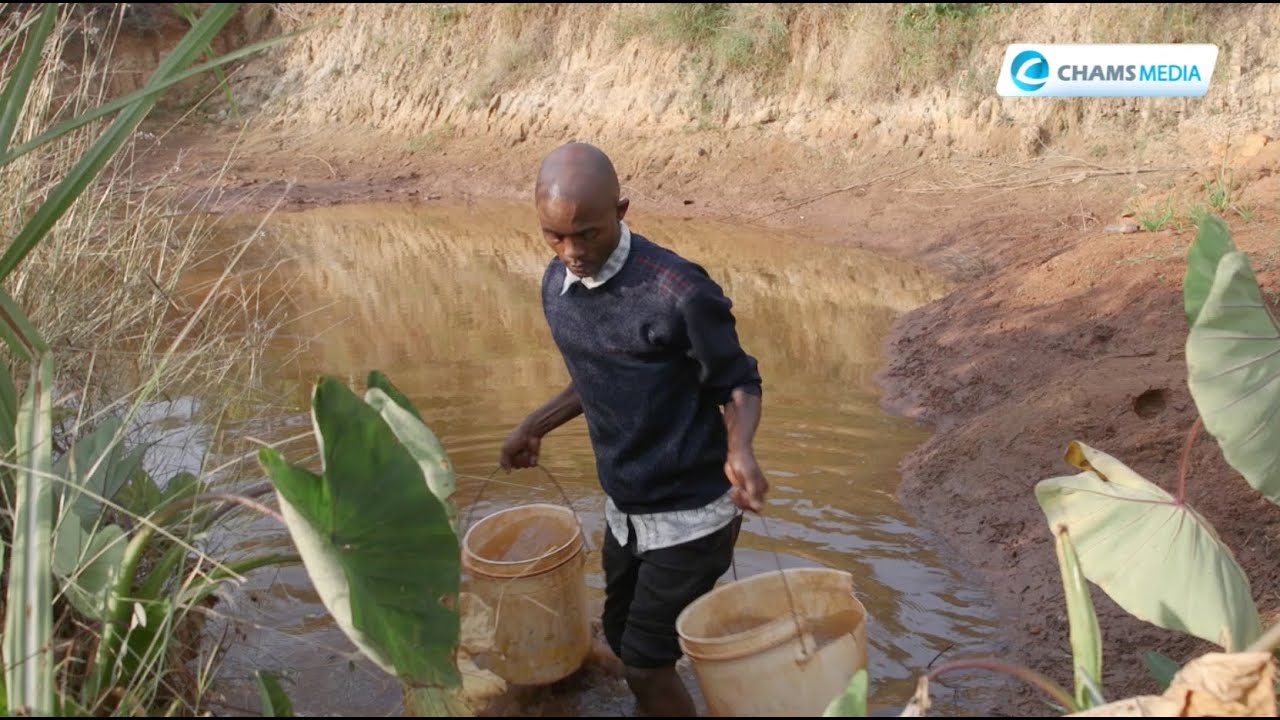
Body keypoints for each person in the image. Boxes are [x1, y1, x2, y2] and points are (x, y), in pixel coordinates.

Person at [498, 141, 768, 716]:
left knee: (645, 663)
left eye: (588, 234)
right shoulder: (557, 287)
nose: (571, 252)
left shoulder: (680, 292)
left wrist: (740, 448)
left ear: (621, 212)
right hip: (625, 506)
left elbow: (738, 380)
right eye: (554, 235)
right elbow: (598, 377)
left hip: (693, 512)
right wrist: (535, 425)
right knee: (621, 640)